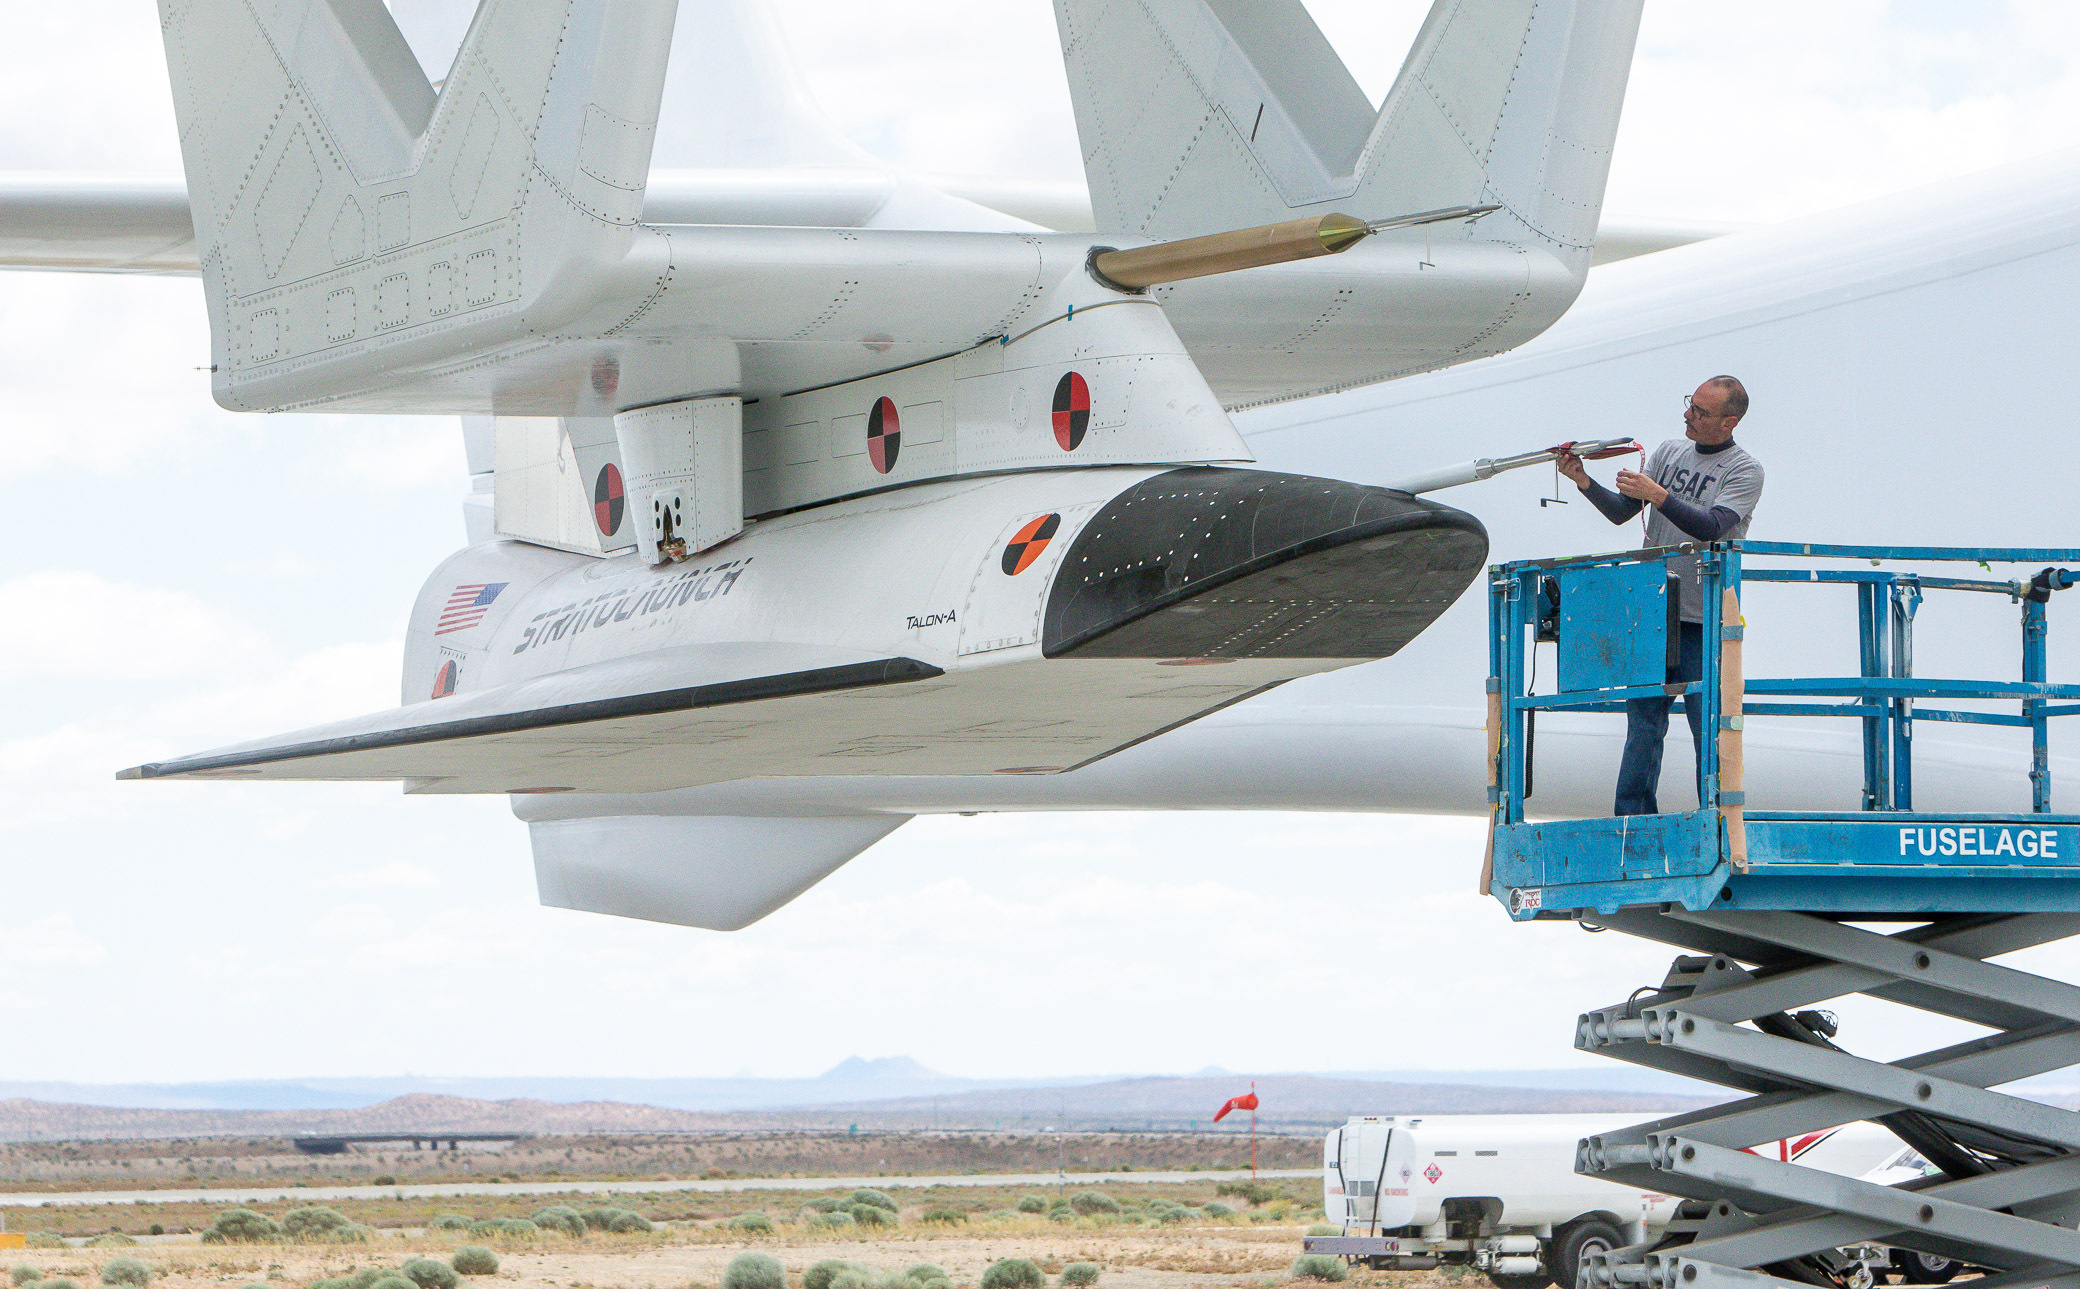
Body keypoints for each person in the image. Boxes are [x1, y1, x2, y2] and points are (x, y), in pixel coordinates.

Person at [1556, 375, 1764, 816]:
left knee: (1707, 726)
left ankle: (1716, 819)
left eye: (1701, 412)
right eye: (1690, 404)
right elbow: (1621, 513)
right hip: (1653, 612)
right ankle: (1632, 820)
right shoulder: (1669, 451)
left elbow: (1711, 526)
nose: (1688, 415)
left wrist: (1658, 494)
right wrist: (1583, 481)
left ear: (1729, 422)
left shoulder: (1745, 470)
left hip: (1702, 618)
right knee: (1643, 724)